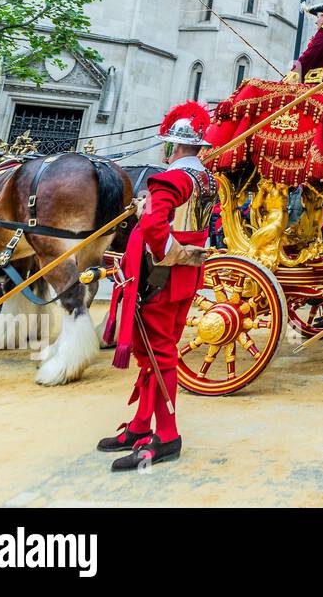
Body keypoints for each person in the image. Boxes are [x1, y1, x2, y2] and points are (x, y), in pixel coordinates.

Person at [98, 102, 217, 471]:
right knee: (155, 352)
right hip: (184, 280)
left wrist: (167, 252)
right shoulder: (206, 180)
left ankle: (166, 435)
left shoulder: (172, 179)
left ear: (174, 148)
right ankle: (139, 426)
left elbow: (155, 229)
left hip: (158, 278)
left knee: (158, 353)